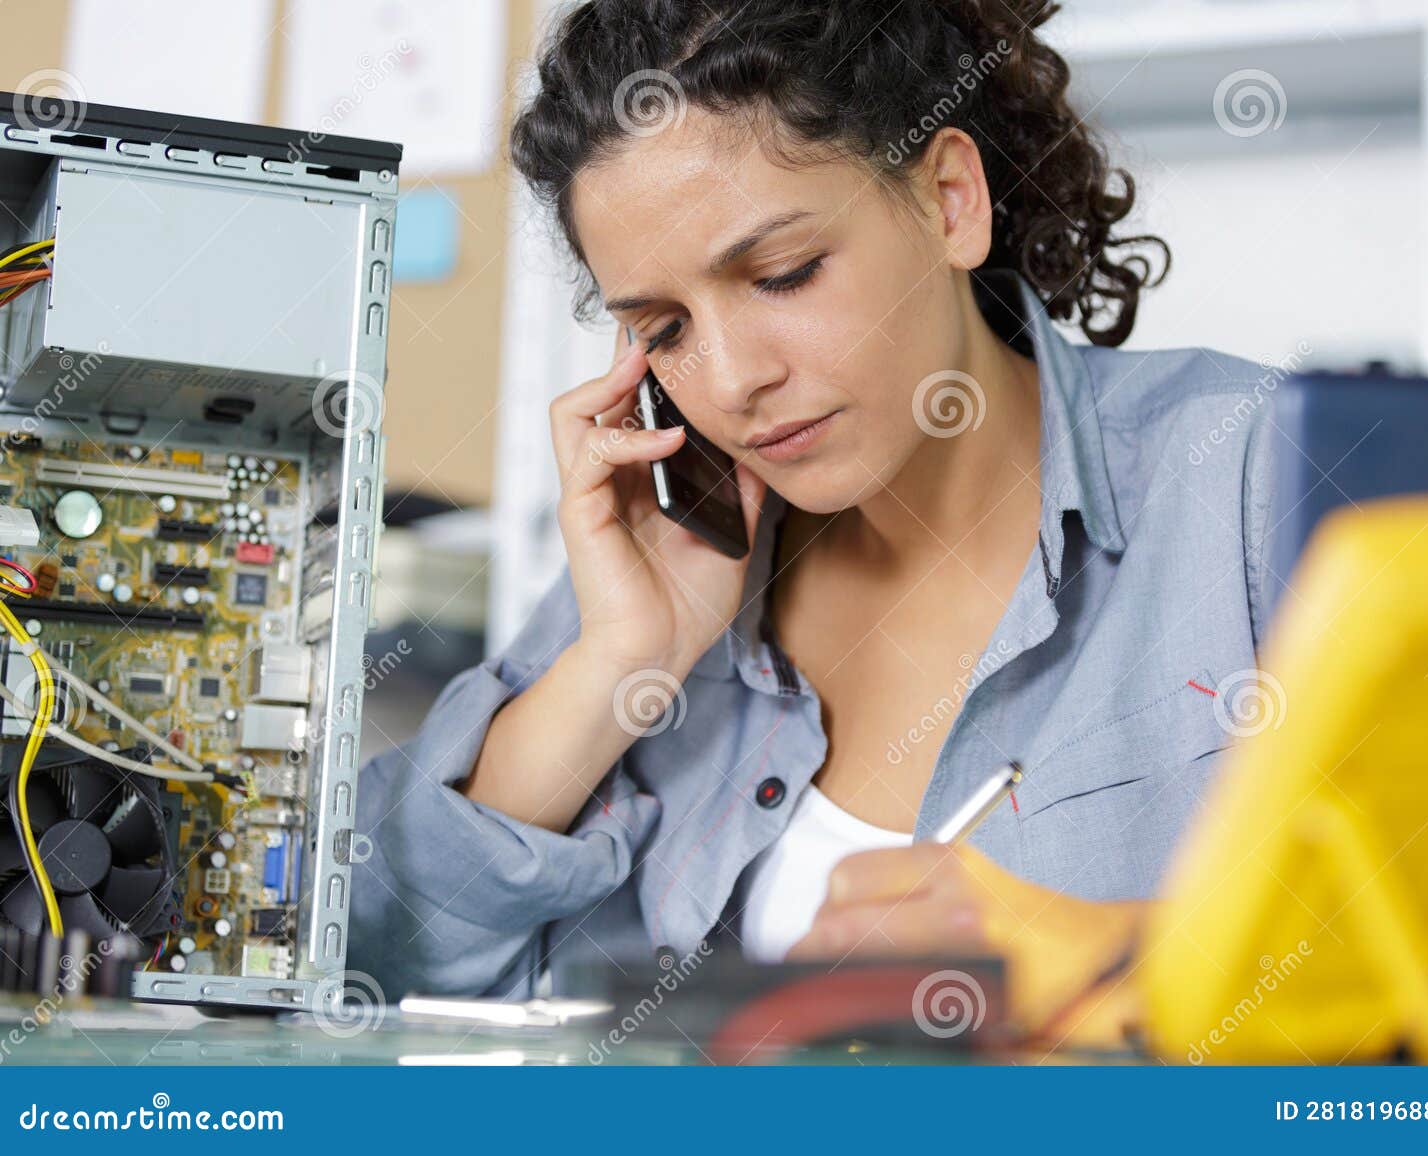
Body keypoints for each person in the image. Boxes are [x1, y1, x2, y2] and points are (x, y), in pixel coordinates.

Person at [348, 0, 1277, 1036]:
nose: (736, 380)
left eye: (783, 274)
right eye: (663, 328)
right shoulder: (666, 562)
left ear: (949, 198)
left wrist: (1085, 955)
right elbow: (357, 973)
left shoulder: (1247, 472)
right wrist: (615, 667)